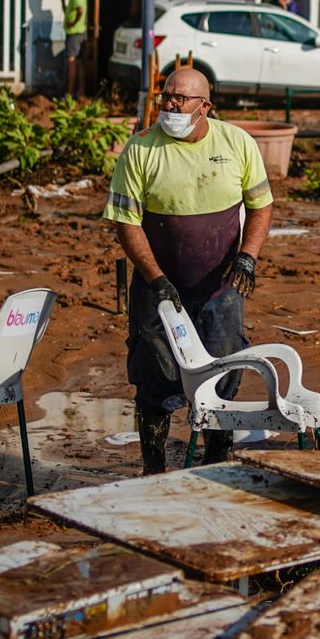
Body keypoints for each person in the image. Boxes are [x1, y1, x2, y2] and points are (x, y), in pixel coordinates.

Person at [105, 68, 273, 474]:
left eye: (181, 98)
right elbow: (125, 221)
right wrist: (155, 278)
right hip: (159, 287)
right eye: (167, 96)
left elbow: (261, 205)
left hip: (219, 288)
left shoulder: (236, 143)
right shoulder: (141, 148)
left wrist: (247, 255)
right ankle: (154, 467)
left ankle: (215, 461)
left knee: (225, 370)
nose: (170, 105)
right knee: (154, 374)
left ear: (205, 107)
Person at [60, 0, 89, 98]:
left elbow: (80, 11)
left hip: (75, 33)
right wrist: (62, 0)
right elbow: (68, 12)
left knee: (72, 63)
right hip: (78, 33)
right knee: (79, 63)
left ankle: (70, 93)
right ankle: (80, 92)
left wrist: (74, 23)